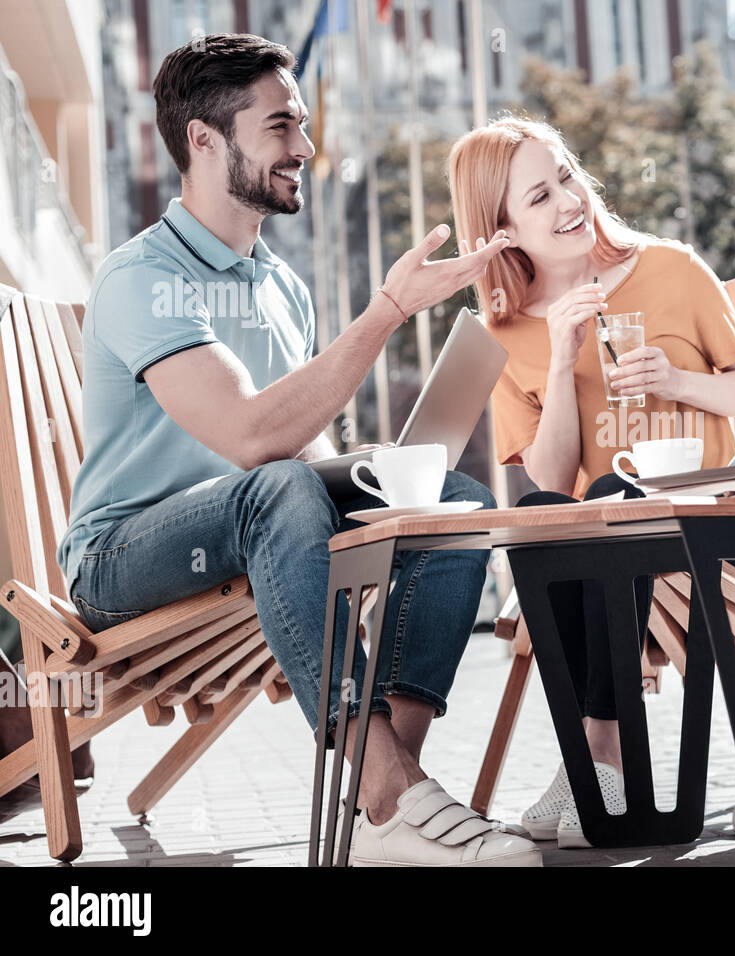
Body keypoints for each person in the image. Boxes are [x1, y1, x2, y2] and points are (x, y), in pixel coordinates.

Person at [54, 34, 540, 867]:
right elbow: (251, 439)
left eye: (304, 125)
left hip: (254, 526)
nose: (306, 149)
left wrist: (394, 482)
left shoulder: (281, 285)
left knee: (450, 499)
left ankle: (392, 789)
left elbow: (301, 447)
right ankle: (389, 795)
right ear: (204, 140)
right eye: (281, 127)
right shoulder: (143, 276)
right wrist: (388, 309)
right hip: (122, 558)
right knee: (277, 484)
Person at [447, 117, 735, 846]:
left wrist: (680, 380)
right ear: (502, 232)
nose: (569, 200)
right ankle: (601, 771)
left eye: (566, 175)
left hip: (703, 524)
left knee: (604, 501)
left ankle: (597, 757)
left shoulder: (672, 268)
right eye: (540, 195)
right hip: (607, 551)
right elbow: (550, 480)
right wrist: (561, 357)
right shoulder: (506, 333)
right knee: (547, 516)